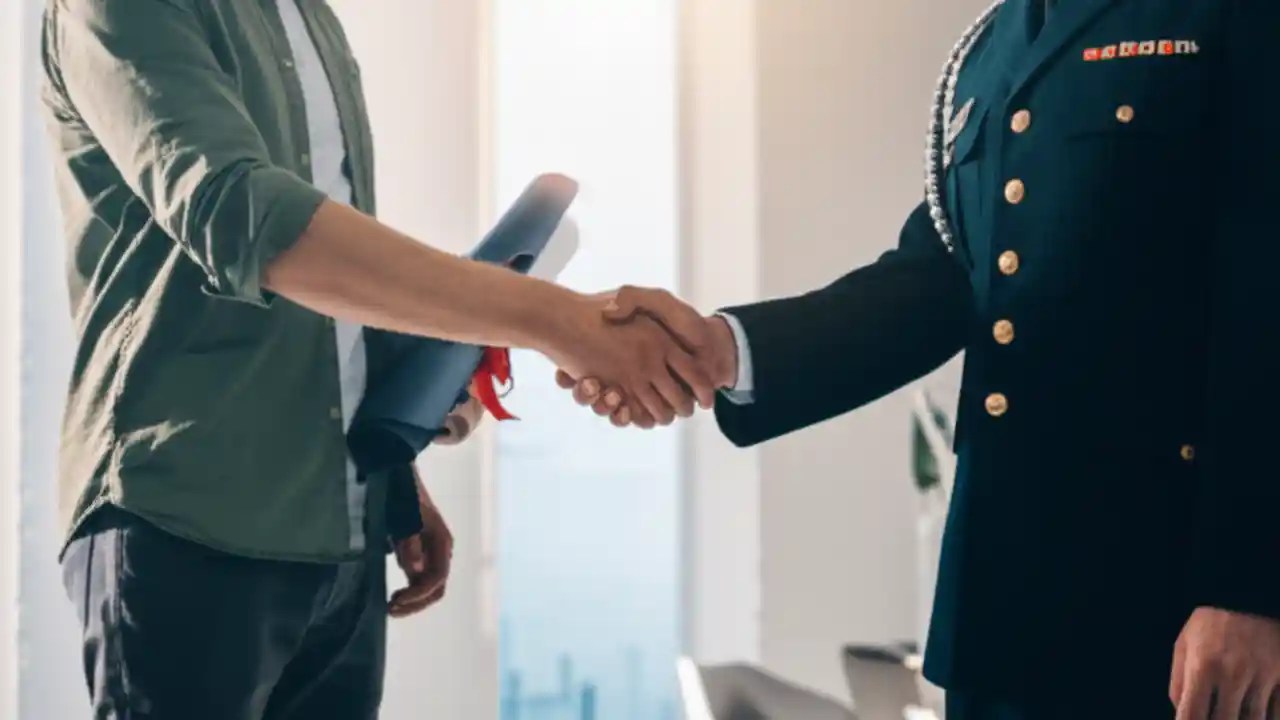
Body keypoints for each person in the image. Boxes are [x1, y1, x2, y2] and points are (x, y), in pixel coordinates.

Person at [562, 1, 1280, 717]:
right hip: (1000, 615)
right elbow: (939, 281)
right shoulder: (993, 44)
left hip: (1173, 614)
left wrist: (1250, 585)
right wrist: (720, 351)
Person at [42, 0, 715, 717]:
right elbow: (248, 221)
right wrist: (559, 322)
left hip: (342, 537)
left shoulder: (309, 17)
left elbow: (323, 287)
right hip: (188, 515)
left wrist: (395, 464)